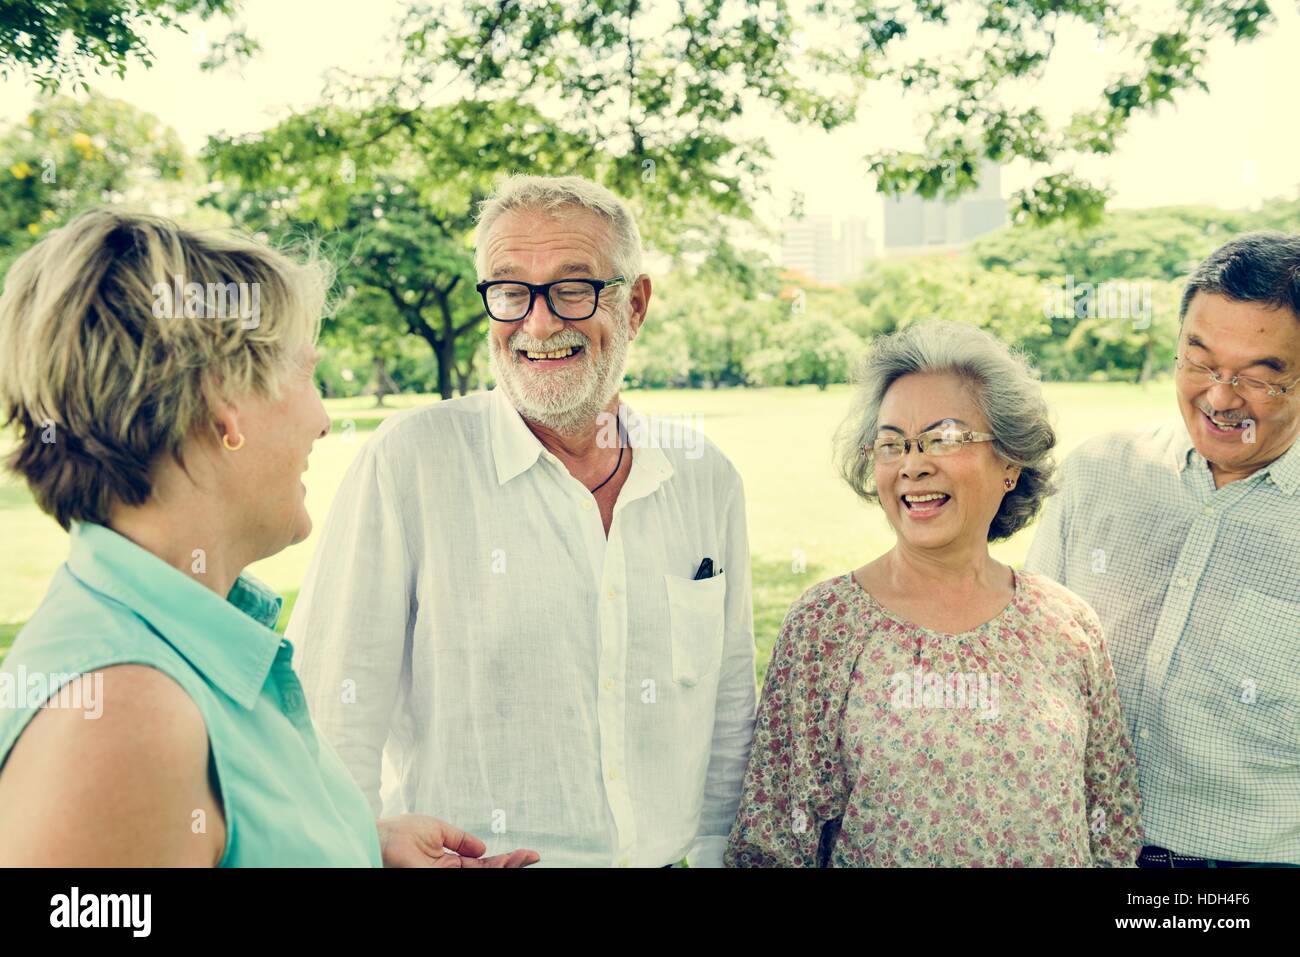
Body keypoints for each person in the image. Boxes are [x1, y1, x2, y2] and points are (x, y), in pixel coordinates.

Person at [0, 209, 530, 867]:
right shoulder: (124, 716)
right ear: (224, 402)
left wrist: (358, 846)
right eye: (308, 374)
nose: (324, 421)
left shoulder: (173, 642)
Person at [288, 174, 757, 868]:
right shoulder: (411, 463)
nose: (538, 324)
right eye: (510, 290)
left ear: (635, 304)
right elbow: (330, 715)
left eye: (574, 288)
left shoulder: (704, 477)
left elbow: (728, 711)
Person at [725, 320, 1142, 867]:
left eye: (945, 438)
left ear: (1010, 463)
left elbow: (1111, 823)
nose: (913, 464)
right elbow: (772, 843)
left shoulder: (1066, 623)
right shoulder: (826, 626)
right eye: (892, 444)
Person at [1026, 232, 1300, 867]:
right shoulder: (1097, 473)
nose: (1221, 397)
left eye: (1259, 377)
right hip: (1077, 851)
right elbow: (1029, 667)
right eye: (1200, 362)